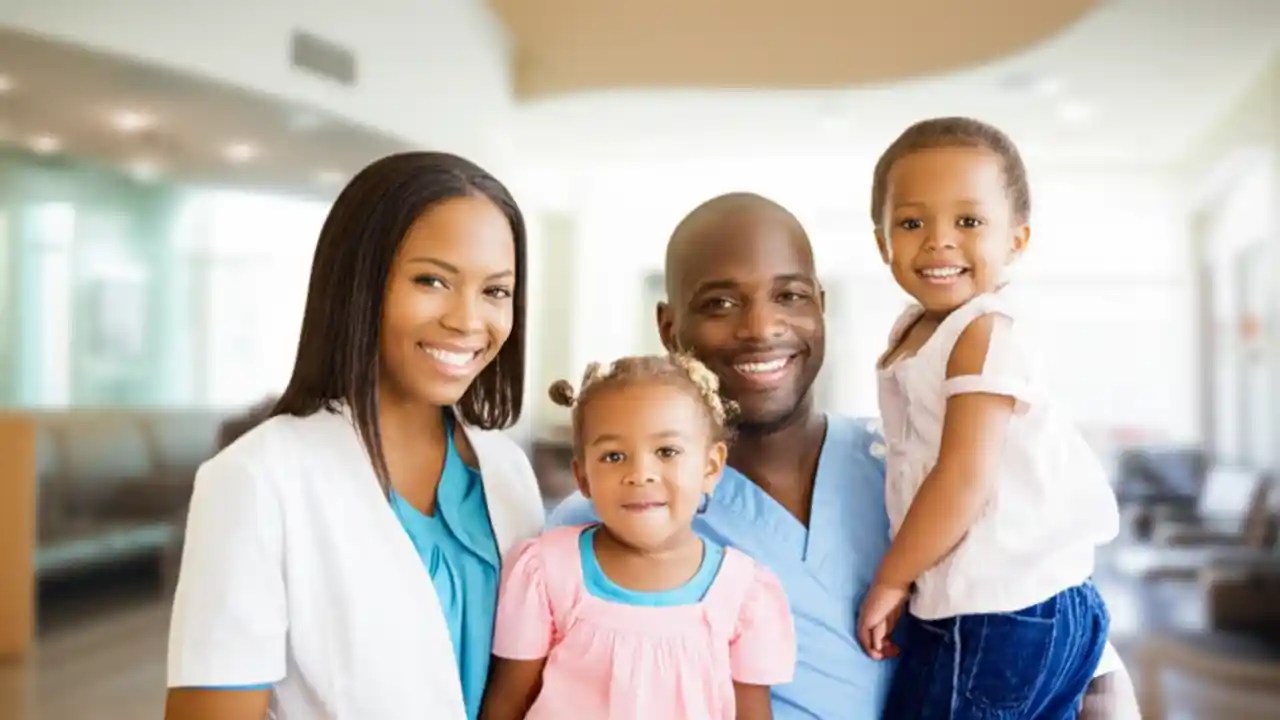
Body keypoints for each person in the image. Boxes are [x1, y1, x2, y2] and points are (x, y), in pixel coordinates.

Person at [549, 192, 1140, 719]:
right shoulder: (610, 515)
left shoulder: (918, 469)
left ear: (821, 308)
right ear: (670, 326)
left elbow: (1071, 640)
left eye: (790, 295)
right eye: (721, 304)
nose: (762, 327)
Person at [164, 152, 544, 720]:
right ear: (358, 284)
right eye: (432, 280)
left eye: (495, 291)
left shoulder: (507, 471)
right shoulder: (257, 477)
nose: (468, 320)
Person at [857, 116, 1119, 719]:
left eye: (968, 222)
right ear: (882, 243)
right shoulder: (921, 328)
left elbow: (962, 479)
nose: (939, 241)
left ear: (1016, 241)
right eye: (911, 222)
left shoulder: (982, 332)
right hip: (1022, 604)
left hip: (1000, 611)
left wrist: (892, 580)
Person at [482, 355, 795, 720]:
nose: (640, 474)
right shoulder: (546, 572)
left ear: (710, 467)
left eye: (667, 452)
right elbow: (506, 705)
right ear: (583, 477)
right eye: (614, 456)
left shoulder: (744, 594)